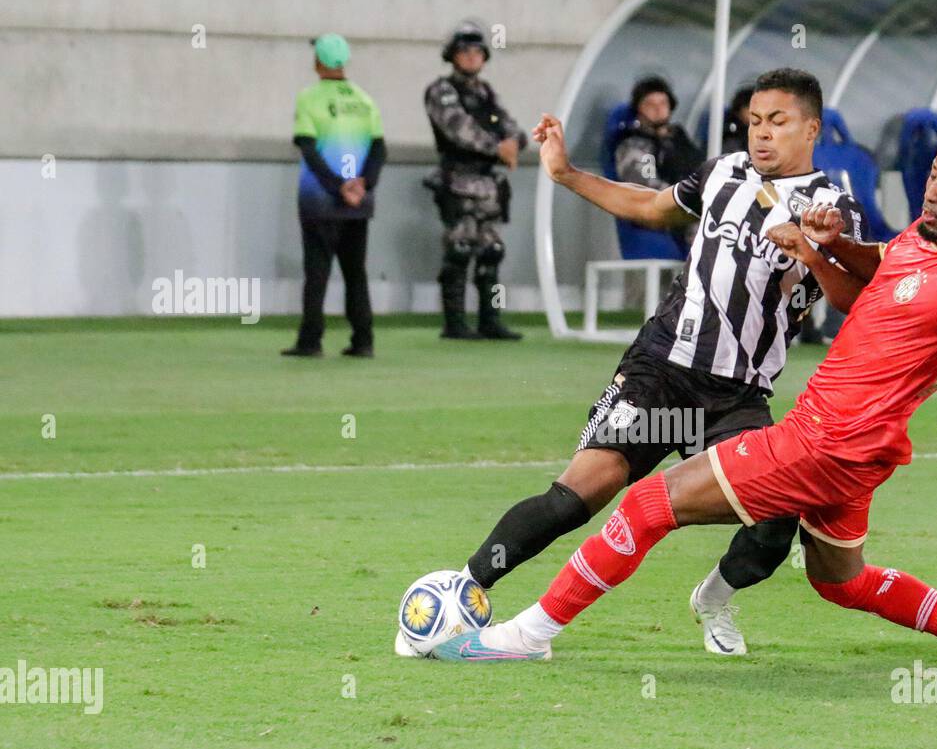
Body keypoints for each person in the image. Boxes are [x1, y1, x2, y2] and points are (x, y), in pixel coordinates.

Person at [430, 128, 937, 665]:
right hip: (858, 457)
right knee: (840, 581)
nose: (934, 190)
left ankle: (527, 636)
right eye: (933, 175)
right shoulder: (922, 239)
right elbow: (878, 272)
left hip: (824, 442)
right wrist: (823, 247)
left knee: (650, 504)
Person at [401, 69, 869, 659]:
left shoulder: (835, 209)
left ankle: (715, 597)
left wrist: (816, 249)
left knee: (776, 520)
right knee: (582, 490)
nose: (761, 135)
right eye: (754, 121)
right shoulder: (721, 171)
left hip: (736, 395)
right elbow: (651, 207)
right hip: (661, 368)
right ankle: (464, 587)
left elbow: (854, 297)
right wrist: (566, 173)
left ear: (812, 128)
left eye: (777, 122)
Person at [282, 33, 386, 358]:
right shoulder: (364, 99)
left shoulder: (308, 99)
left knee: (317, 272)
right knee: (356, 272)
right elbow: (379, 149)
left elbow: (309, 149)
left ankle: (310, 341)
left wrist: (337, 186)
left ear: (317, 63)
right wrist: (362, 185)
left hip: (320, 201)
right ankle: (363, 339)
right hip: (359, 204)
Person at [424, 22, 526, 340]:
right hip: (459, 181)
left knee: (492, 251)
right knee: (459, 248)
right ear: (452, 55)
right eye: (464, 51)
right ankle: (454, 322)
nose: (471, 57)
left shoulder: (486, 94)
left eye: (477, 51)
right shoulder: (441, 91)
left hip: (489, 185)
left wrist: (513, 144)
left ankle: (489, 319)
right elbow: (458, 128)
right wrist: (499, 147)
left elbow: (514, 129)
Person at [613, 75, 705, 253]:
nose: (658, 109)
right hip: (668, 213)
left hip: (691, 205)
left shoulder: (680, 139)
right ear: (638, 109)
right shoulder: (635, 144)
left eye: (663, 103)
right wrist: (686, 196)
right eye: (650, 104)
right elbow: (644, 187)